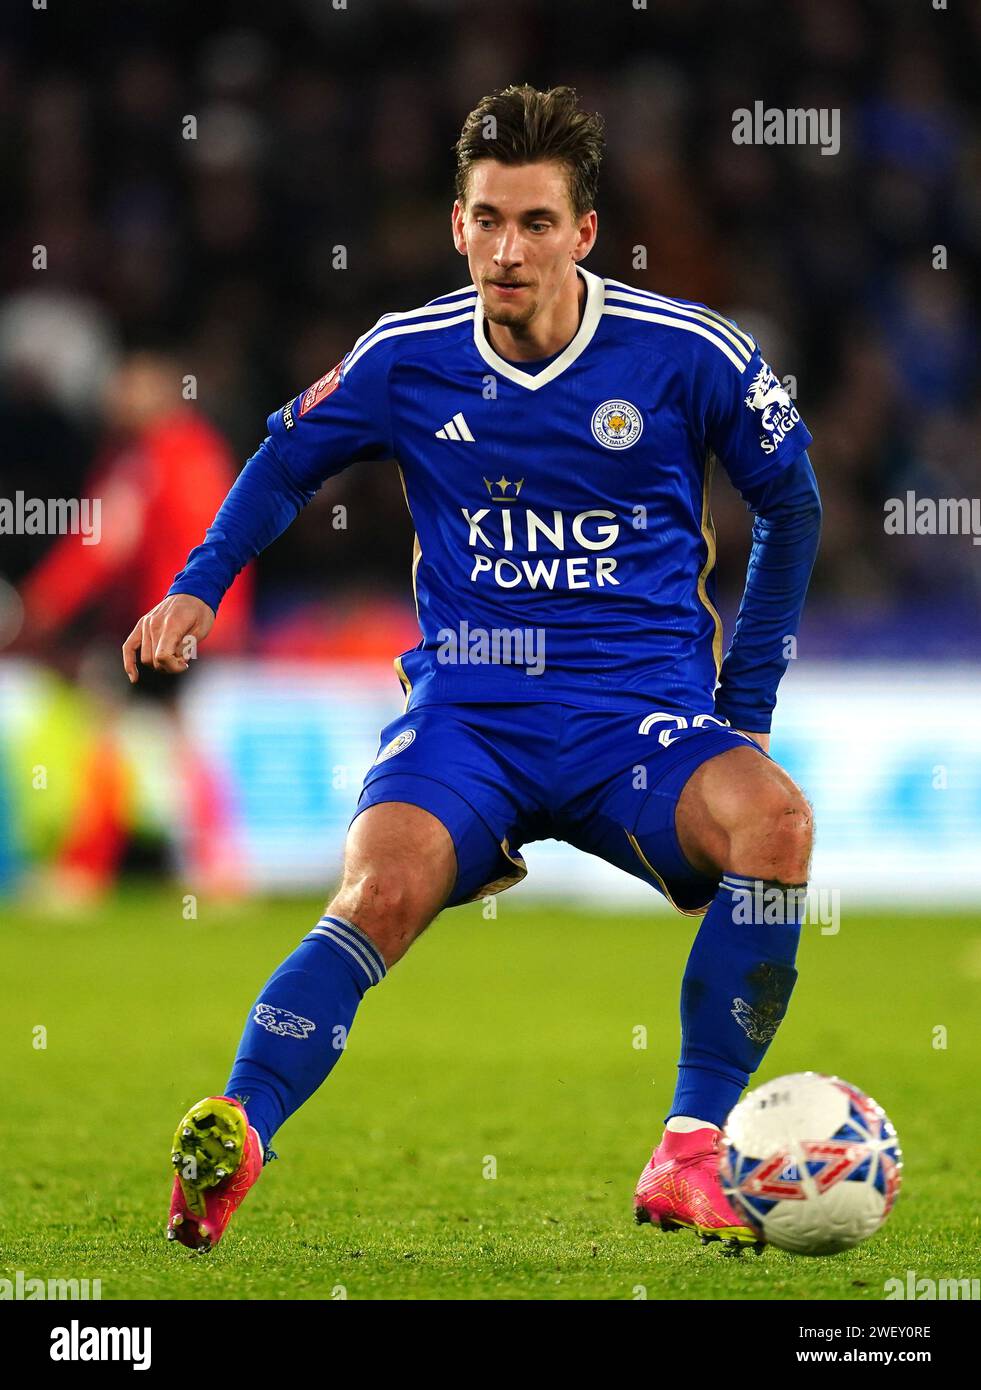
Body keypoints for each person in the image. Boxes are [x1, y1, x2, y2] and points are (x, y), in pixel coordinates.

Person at [122, 86, 822, 1253]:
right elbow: (284, 460)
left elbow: (792, 506)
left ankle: (690, 1146)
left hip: (637, 718)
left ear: (584, 233)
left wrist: (742, 710)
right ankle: (238, 1129)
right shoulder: (407, 356)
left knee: (778, 827)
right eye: (488, 219)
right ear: (458, 225)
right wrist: (200, 583)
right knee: (376, 892)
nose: (509, 248)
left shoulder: (689, 353)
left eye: (537, 223)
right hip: (470, 714)